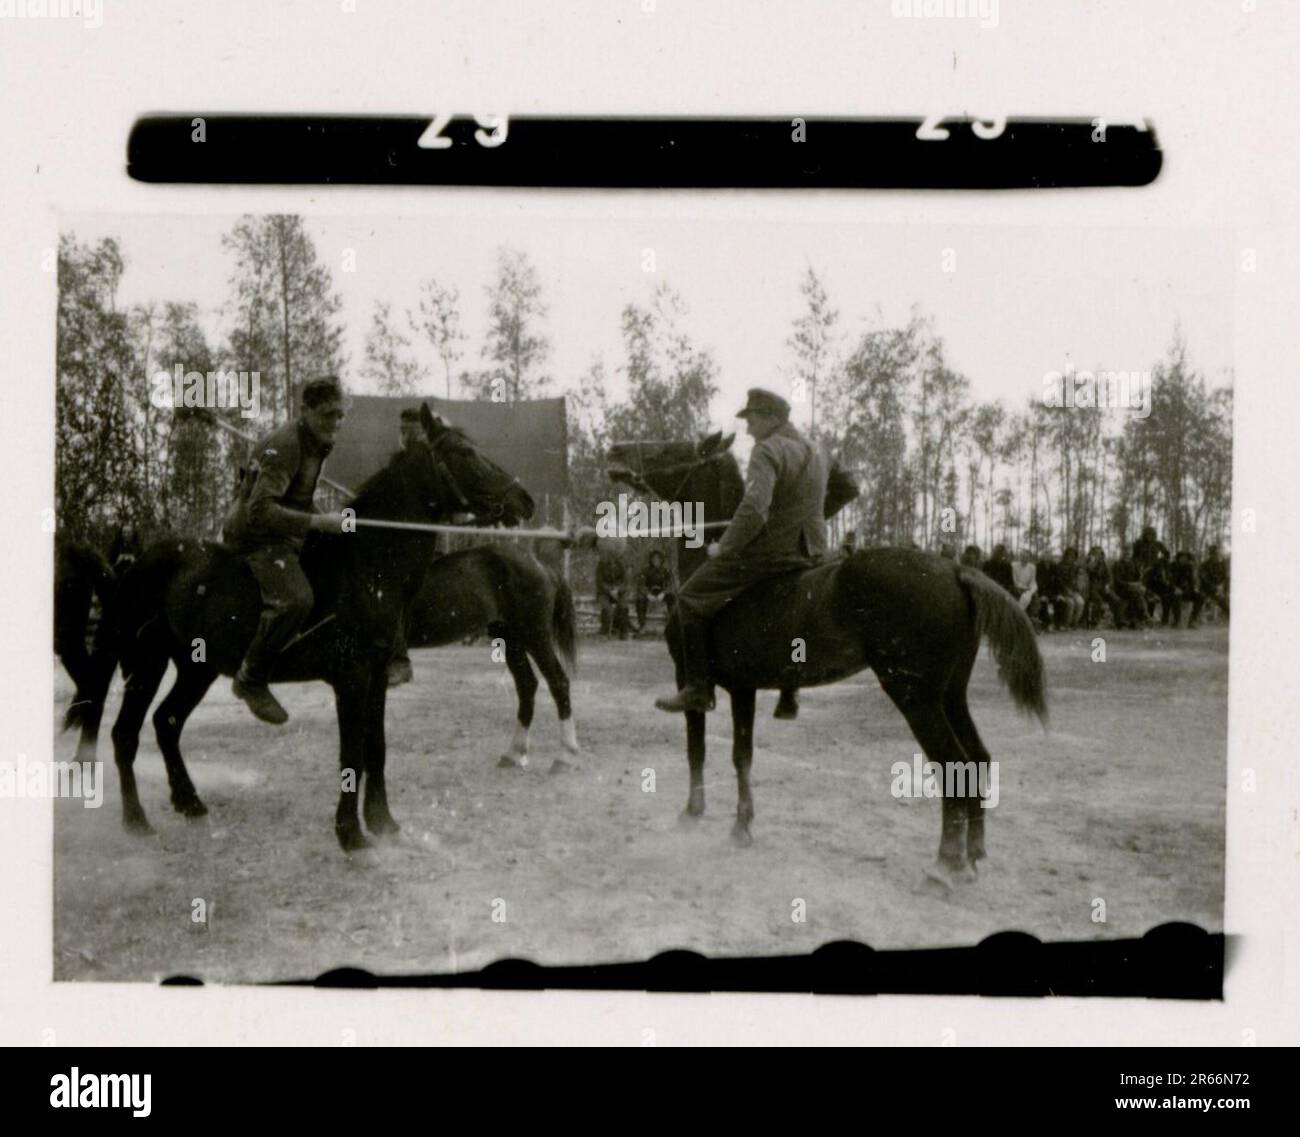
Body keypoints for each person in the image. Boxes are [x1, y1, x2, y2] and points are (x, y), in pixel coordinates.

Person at [655, 387, 844, 714]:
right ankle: (790, 692)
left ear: (771, 419)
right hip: (813, 552)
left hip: (771, 554)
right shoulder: (819, 451)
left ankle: (698, 689)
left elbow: (755, 508)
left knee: (687, 600)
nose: (747, 427)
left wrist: (725, 546)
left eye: (752, 418)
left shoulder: (767, 450)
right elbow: (848, 487)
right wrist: (807, 519)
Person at [222, 377, 349, 724]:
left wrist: (331, 524)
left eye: (340, 416)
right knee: (296, 599)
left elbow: (298, 500)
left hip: (284, 533)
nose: (335, 423)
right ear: (305, 411)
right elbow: (259, 511)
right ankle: (251, 678)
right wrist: (320, 524)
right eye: (327, 415)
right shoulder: (288, 445)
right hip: (255, 537)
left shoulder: (317, 441)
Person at [386, 409, 425, 687]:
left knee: (392, 588)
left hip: (418, 542)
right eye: (403, 430)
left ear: (422, 432)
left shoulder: (425, 462)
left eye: (411, 430)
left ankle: (400, 660)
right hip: (401, 538)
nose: (406, 436)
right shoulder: (400, 463)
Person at [595, 538, 632, 640]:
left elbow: (625, 581)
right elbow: (599, 582)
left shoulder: (621, 564)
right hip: (604, 593)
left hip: (619, 592)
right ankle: (605, 632)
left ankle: (624, 632)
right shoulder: (601, 565)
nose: (611, 556)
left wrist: (618, 590)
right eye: (608, 553)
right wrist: (610, 590)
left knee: (623, 606)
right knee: (607, 608)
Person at [1084, 545, 1127, 628]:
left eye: (1099, 553)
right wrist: (1092, 562)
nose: (1097, 555)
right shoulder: (1088, 563)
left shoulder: (1104, 564)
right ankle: (1094, 622)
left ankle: (1120, 622)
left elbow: (1109, 577)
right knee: (1098, 601)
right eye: (1095, 553)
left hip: (1103, 588)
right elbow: (1089, 572)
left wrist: (1107, 585)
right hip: (1091, 589)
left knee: (1117, 600)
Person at [635, 548, 673, 632]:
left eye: (658, 559)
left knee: (672, 597)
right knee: (640, 599)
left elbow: (670, 584)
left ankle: (672, 625)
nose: (656, 561)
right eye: (654, 558)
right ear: (651, 559)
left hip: (661, 593)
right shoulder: (646, 571)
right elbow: (641, 584)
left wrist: (663, 593)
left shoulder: (665, 571)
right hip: (650, 593)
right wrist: (648, 594)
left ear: (661, 560)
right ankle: (642, 625)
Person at [1111, 549, 1151, 628]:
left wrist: (1138, 584)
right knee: (1136, 594)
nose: (1127, 554)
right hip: (1120, 589)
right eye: (1125, 552)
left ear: (1131, 554)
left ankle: (1135, 620)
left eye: (1128, 553)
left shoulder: (1133, 564)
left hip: (1132, 589)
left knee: (1137, 594)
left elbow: (1138, 579)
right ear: (1122, 554)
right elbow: (1117, 580)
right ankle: (1144, 616)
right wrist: (1130, 584)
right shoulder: (1117, 565)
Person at [1170, 550, 1204, 629]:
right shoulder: (1173, 567)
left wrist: (1194, 588)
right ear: (1178, 558)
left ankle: (1192, 621)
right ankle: (1176, 621)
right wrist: (1175, 588)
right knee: (1176, 597)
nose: (1184, 560)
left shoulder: (1190, 568)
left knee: (1200, 597)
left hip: (1187, 591)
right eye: (1182, 558)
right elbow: (1169, 580)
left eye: (1186, 558)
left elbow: (1192, 581)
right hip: (1174, 590)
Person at [1200, 543, 1230, 620]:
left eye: (1216, 553)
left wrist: (1222, 586)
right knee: (1220, 599)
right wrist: (1214, 587)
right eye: (1213, 553)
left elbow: (1225, 577)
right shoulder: (1204, 565)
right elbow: (1204, 578)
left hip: (1221, 588)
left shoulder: (1222, 564)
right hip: (1208, 589)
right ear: (1210, 554)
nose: (1215, 555)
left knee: (1224, 598)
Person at [1010, 550, 1039, 622]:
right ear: (1020, 557)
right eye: (1022, 556)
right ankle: (1018, 617)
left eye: (1026, 557)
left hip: (1027, 588)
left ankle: (1031, 620)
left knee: (1034, 596)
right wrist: (1020, 588)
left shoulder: (1032, 567)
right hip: (1017, 587)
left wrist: (1030, 590)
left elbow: (1033, 581)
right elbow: (1014, 580)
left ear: (1029, 558)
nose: (1024, 559)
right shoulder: (1014, 565)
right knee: (1020, 596)